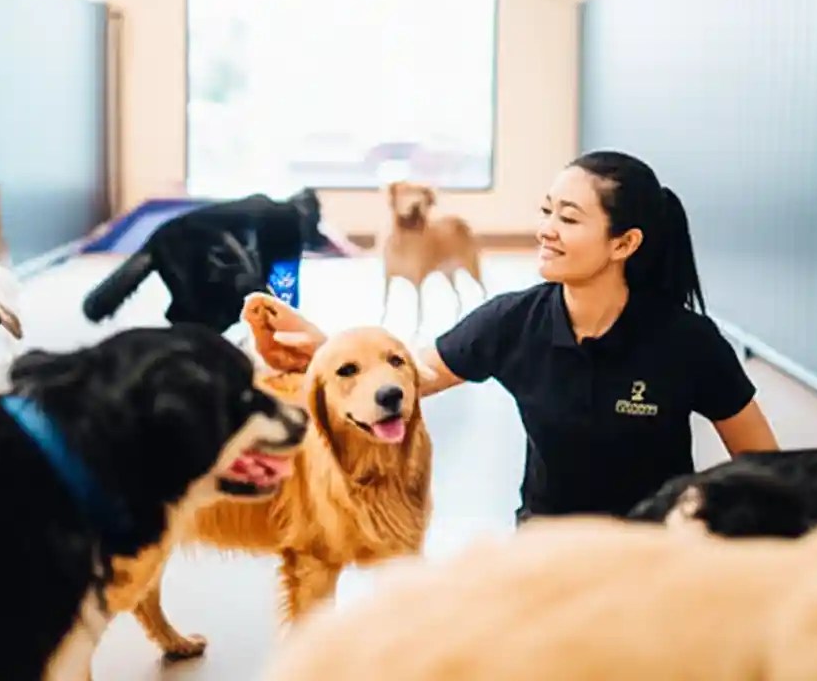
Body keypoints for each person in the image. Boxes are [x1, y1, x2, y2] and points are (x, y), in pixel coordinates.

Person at [263, 150, 779, 524]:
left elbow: (763, 463)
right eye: (546, 210)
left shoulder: (686, 341)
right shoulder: (513, 322)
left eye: (569, 217)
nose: (546, 229)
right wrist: (328, 351)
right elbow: (408, 378)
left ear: (624, 243)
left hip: (653, 550)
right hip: (546, 546)